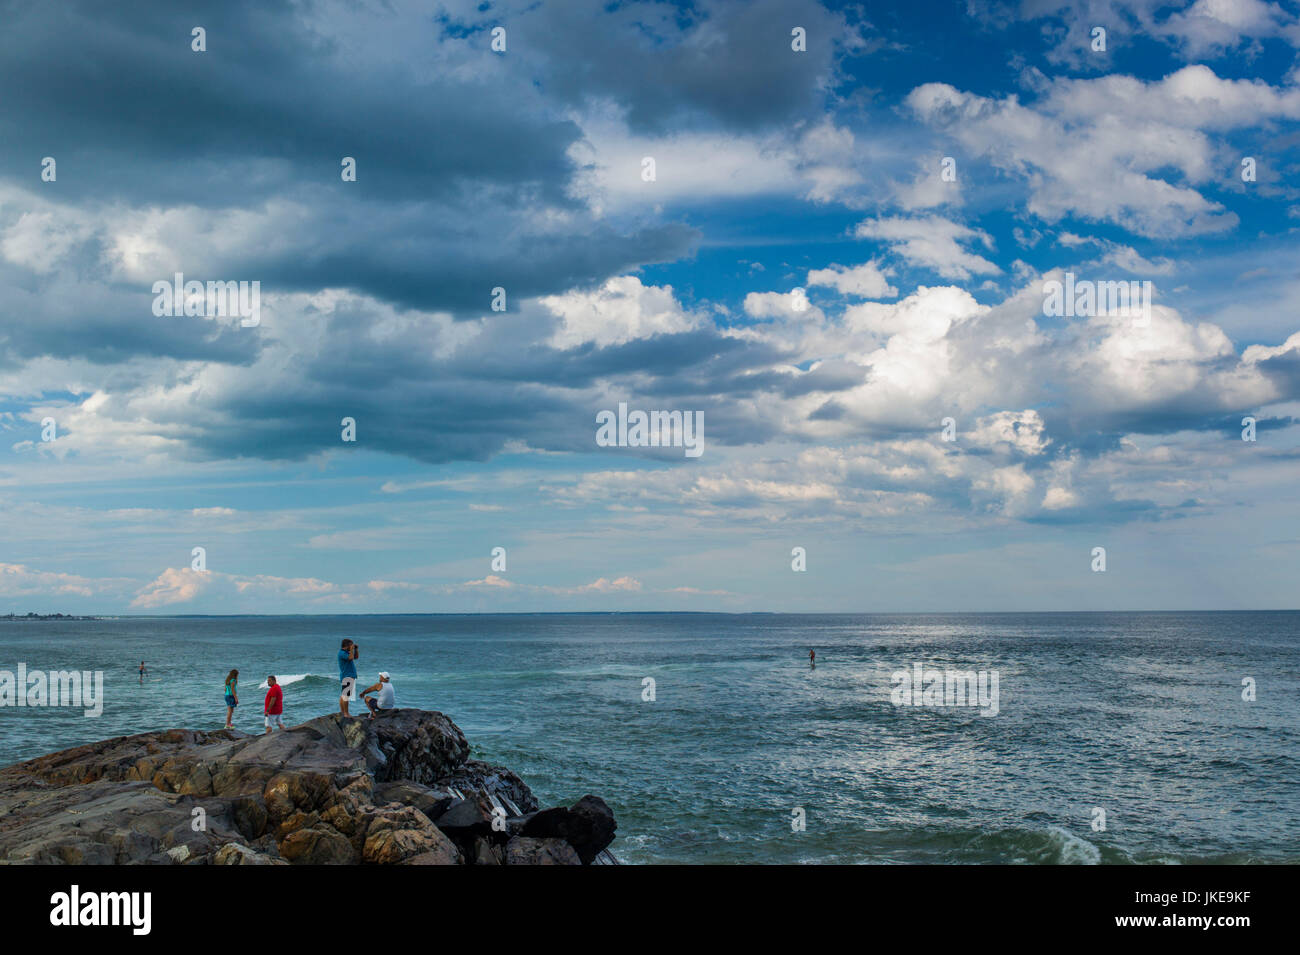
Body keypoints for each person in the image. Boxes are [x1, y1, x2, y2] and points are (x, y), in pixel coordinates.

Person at [338, 639, 359, 716]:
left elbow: (355, 657)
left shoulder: (347, 652)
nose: (352, 646)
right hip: (347, 676)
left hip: (349, 676)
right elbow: (350, 658)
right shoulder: (342, 653)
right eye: (351, 645)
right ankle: (346, 713)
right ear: (346, 645)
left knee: (343, 695)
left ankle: (343, 712)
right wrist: (351, 650)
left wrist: (355, 649)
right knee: (345, 696)